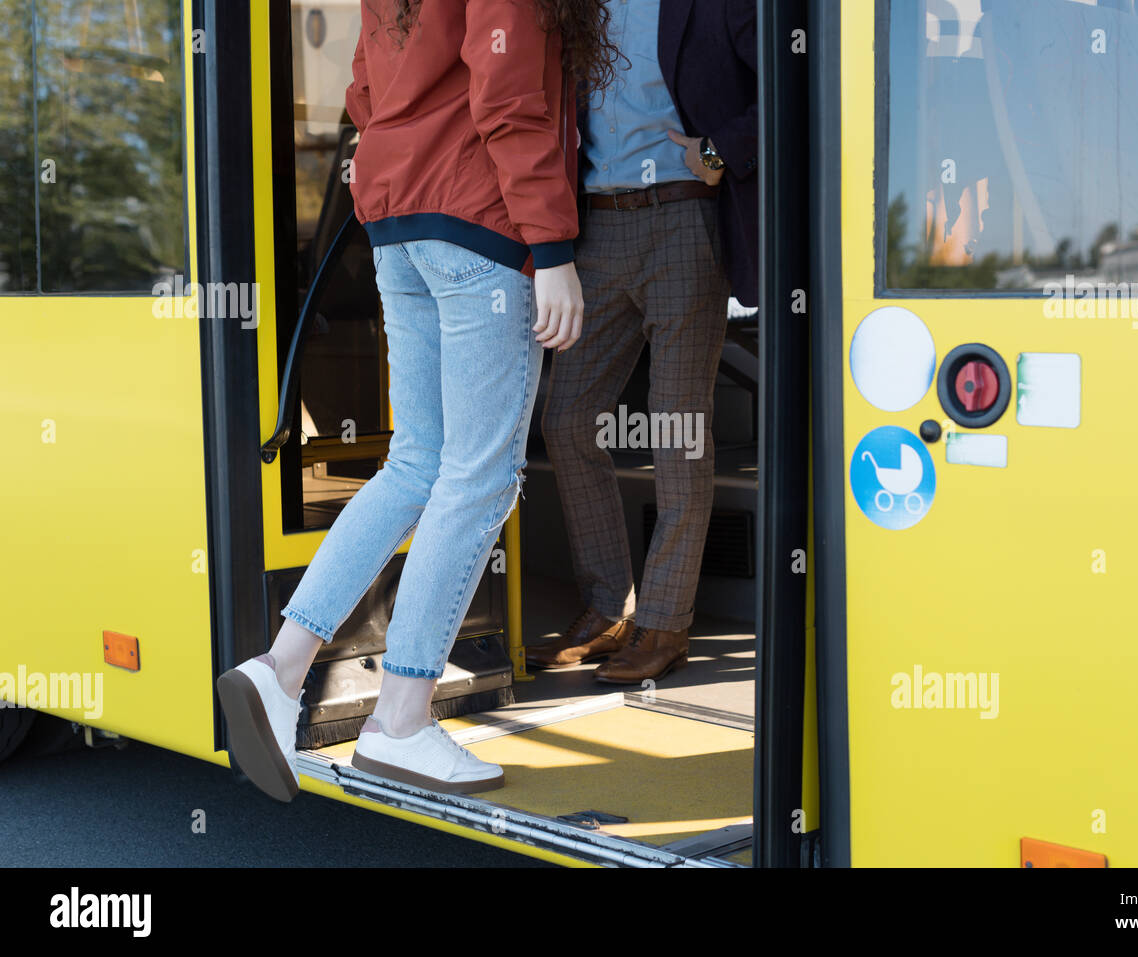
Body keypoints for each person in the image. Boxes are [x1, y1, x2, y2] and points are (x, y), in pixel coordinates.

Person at [216, 0, 619, 803]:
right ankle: (400, 718)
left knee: (416, 464)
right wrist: (552, 248)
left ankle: (281, 667)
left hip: (399, 223)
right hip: (477, 222)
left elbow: (365, 90)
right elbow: (508, 97)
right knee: (481, 475)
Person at [528, 0, 758, 683]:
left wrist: (721, 150)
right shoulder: (575, 7)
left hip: (684, 219)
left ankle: (665, 622)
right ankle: (608, 609)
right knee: (567, 419)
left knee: (678, 428)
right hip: (594, 230)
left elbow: (791, 76)